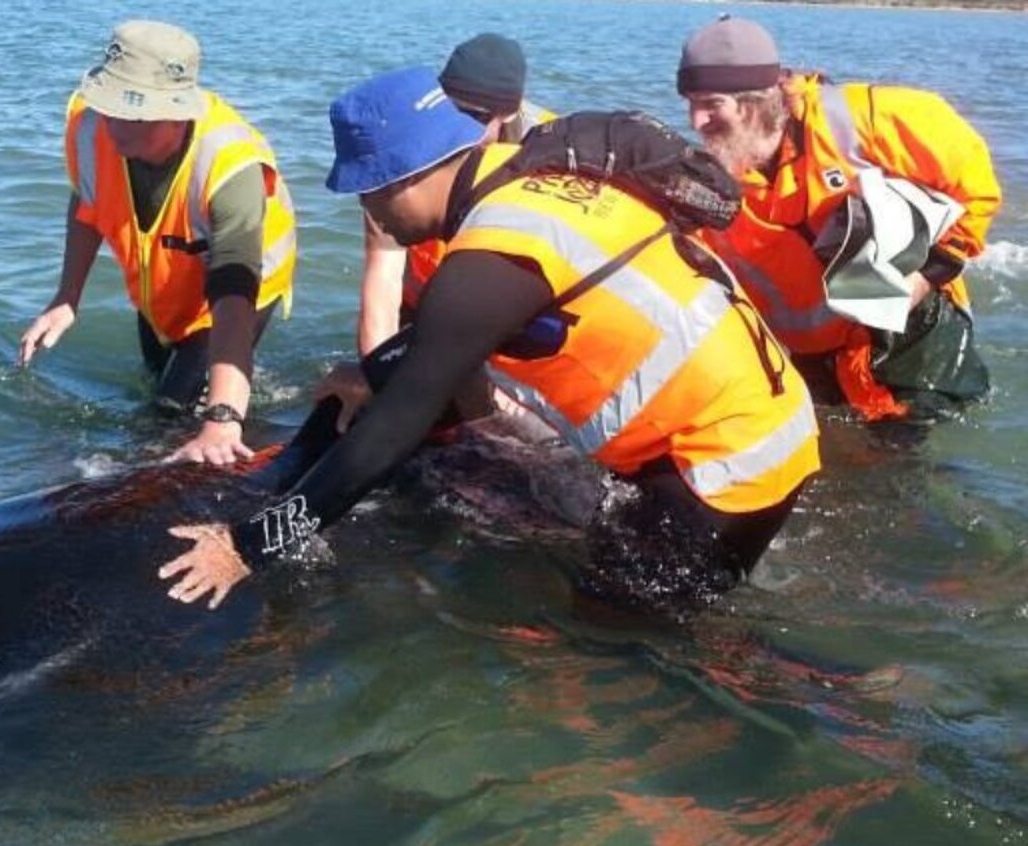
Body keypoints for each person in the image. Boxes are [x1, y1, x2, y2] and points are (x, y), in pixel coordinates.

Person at [158, 67, 821, 609]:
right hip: (766, 425)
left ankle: (821, 701)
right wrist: (377, 370)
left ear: (411, 176)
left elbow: (386, 439)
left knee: (614, 643)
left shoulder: (485, 259)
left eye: (373, 195)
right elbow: (457, 347)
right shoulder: (534, 179)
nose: (373, 215)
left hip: (725, 469)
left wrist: (250, 545)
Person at [676, 16, 1000, 422]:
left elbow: (974, 183)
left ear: (754, 101)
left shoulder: (862, 119)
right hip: (819, 358)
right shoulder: (720, 180)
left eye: (710, 105)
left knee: (907, 465)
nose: (695, 122)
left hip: (912, 334)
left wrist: (929, 274)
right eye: (690, 103)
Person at [18, 20, 298, 464]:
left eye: (131, 112)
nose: (112, 124)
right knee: (156, 380)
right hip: (162, 278)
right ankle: (245, 396)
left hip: (238, 286)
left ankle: (233, 436)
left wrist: (222, 417)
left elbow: (233, 296)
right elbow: (87, 202)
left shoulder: (230, 167)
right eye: (108, 107)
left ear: (176, 112)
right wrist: (66, 297)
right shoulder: (94, 129)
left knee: (164, 416)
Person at [357, 33, 554, 357]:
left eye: (476, 117)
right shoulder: (412, 140)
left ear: (509, 112)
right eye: (452, 112)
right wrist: (372, 375)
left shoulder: (548, 156)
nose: (460, 130)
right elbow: (383, 276)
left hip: (506, 312)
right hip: (423, 305)